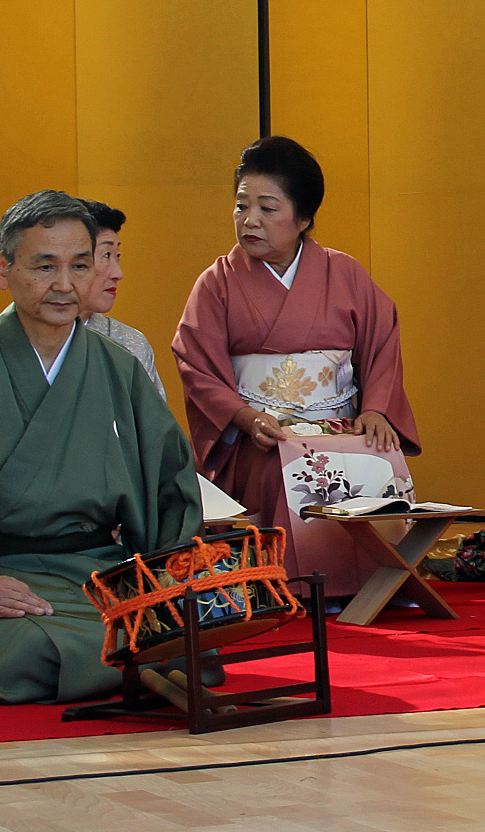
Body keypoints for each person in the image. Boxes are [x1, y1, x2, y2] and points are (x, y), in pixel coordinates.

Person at [0, 191, 200, 703]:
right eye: (45, 266)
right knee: (16, 651)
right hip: (2, 575)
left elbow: (170, 484)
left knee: (180, 635)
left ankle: (134, 649)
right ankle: (127, 661)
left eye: (79, 266)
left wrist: (162, 582)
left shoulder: (118, 369)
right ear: (2, 268)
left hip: (100, 573)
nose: (64, 285)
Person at [172, 136, 422, 594]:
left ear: (303, 218)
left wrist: (376, 409)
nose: (250, 220)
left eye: (267, 208)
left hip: (342, 423)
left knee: (376, 454)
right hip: (263, 432)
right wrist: (245, 418)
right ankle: (290, 586)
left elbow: (382, 340)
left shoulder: (344, 273)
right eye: (241, 206)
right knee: (280, 467)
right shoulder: (216, 283)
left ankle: (377, 583)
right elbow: (196, 363)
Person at [77, 198, 166, 399]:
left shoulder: (130, 345)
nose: (118, 274)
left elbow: (152, 417)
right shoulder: (16, 341)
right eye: (106, 255)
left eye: (117, 256)